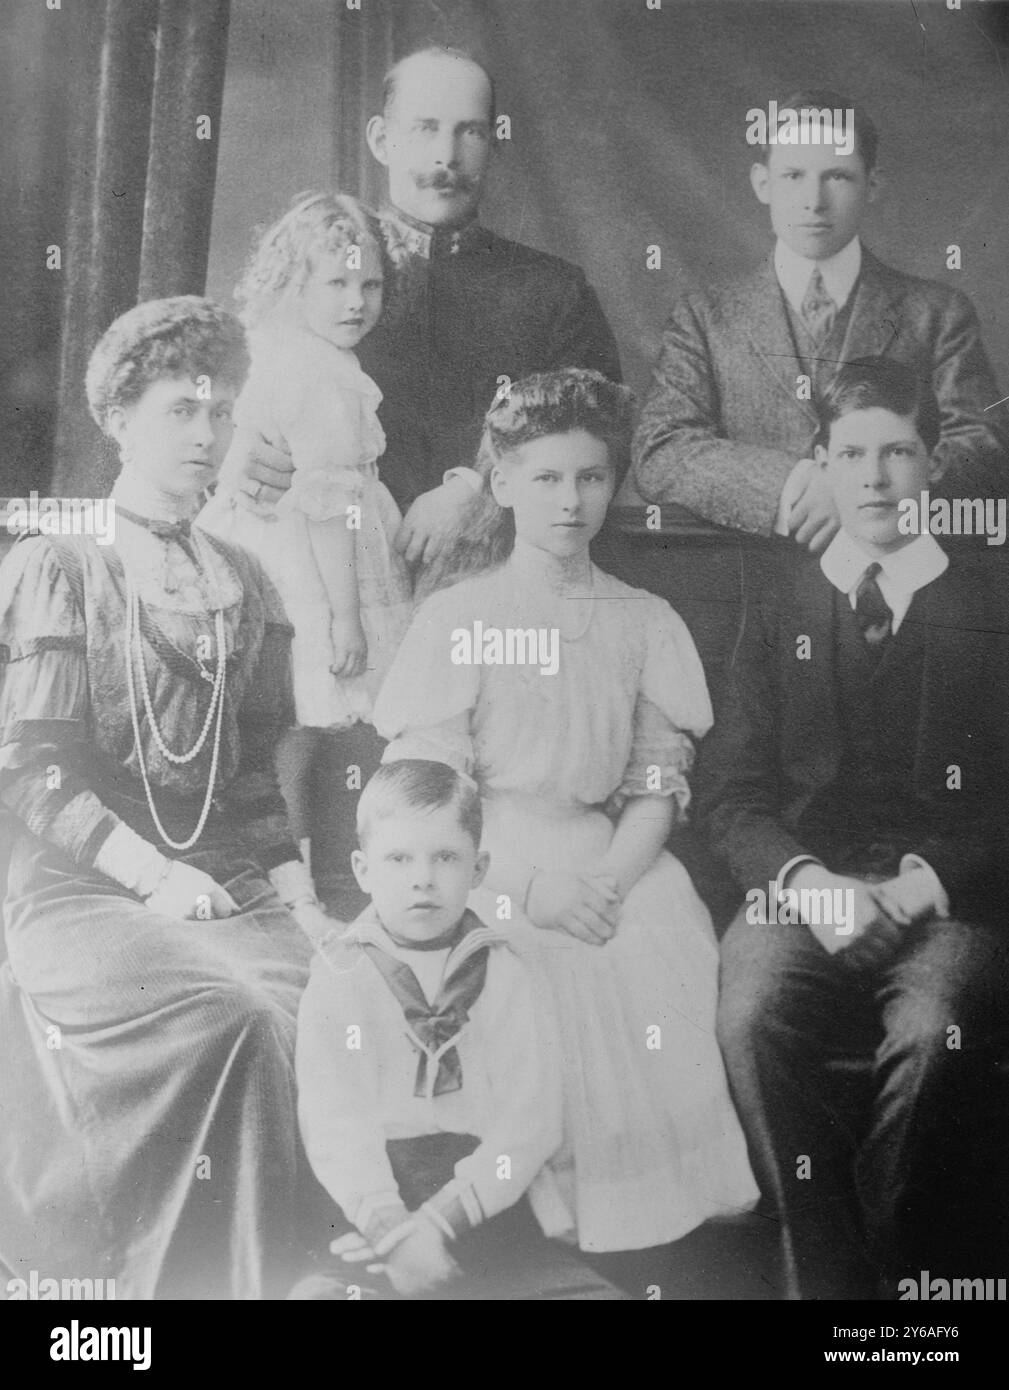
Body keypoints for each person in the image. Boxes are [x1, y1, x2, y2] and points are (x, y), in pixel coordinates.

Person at [371, 369, 759, 1255]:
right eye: (545, 478)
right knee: (529, 953)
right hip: (484, 853)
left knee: (659, 925)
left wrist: (609, 884)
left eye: (589, 477)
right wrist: (526, 886)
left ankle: (661, 1223)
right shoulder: (460, 616)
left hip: (609, 851)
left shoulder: (643, 618)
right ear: (502, 484)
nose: (570, 500)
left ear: (613, 484)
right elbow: (423, 799)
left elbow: (655, 784)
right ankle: (539, 1223)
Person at [0, 297, 326, 1300]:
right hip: (81, 888)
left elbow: (251, 783)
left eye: (221, 412)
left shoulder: (247, 580)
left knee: (333, 999)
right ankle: (219, 1282)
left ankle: (326, 1269)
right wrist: (155, 876)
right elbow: (34, 772)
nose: (206, 434)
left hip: (223, 876)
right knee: (237, 1015)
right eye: (182, 410)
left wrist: (306, 903)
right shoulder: (61, 563)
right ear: (122, 418)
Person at [697, 358, 1009, 1299]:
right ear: (821, 464)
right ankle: (827, 1293)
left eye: (898, 453)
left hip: (949, 898)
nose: (874, 478)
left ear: (931, 465)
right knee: (750, 1017)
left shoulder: (991, 602)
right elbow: (730, 797)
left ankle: (886, 1286)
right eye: (851, 454)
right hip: (804, 889)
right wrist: (808, 884)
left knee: (935, 1029)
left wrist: (922, 884)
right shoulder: (776, 601)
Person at [229, 44, 622, 569]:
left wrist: (478, 489)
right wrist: (236, 452)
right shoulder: (314, 275)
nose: (447, 157)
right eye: (424, 129)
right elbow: (231, 396)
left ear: (493, 142)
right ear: (380, 139)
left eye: (471, 131)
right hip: (336, 572)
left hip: (499, 576)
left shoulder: (554, 292)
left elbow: (604, 439)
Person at [291, 759, 626, 1300]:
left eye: (445, 857)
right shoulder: (341, 977)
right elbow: (336, 1126)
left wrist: (435, 1228)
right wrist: (397, 1236)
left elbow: (531, 1123)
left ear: (478, 868)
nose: (422, 877)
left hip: (483, 1213)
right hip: (374, 1219)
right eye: (398, 858)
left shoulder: (507, 973)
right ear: (361, 869)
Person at [633, 89, 1007, 547]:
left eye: (837, 177)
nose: (814, 200)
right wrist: (791, 486)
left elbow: (983, 441)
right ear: (762, 183)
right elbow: (660, 448)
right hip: (755, 588)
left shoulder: (937, 313)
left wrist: (864, 494)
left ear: (872, 185)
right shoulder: (705, 317)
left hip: (905, 584)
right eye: (793, 175)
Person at [200, 193, 412, 902]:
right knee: (310, 718)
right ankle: (307, 881)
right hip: (315, 575)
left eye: (370, 284)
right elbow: (328, 510)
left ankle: (295, 875)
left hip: (270, 559)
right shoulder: (320, 375)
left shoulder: (275, 351)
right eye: (336, 283)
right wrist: (347, 618)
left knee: (283, 721)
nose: (357, 302)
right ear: (294, 282)